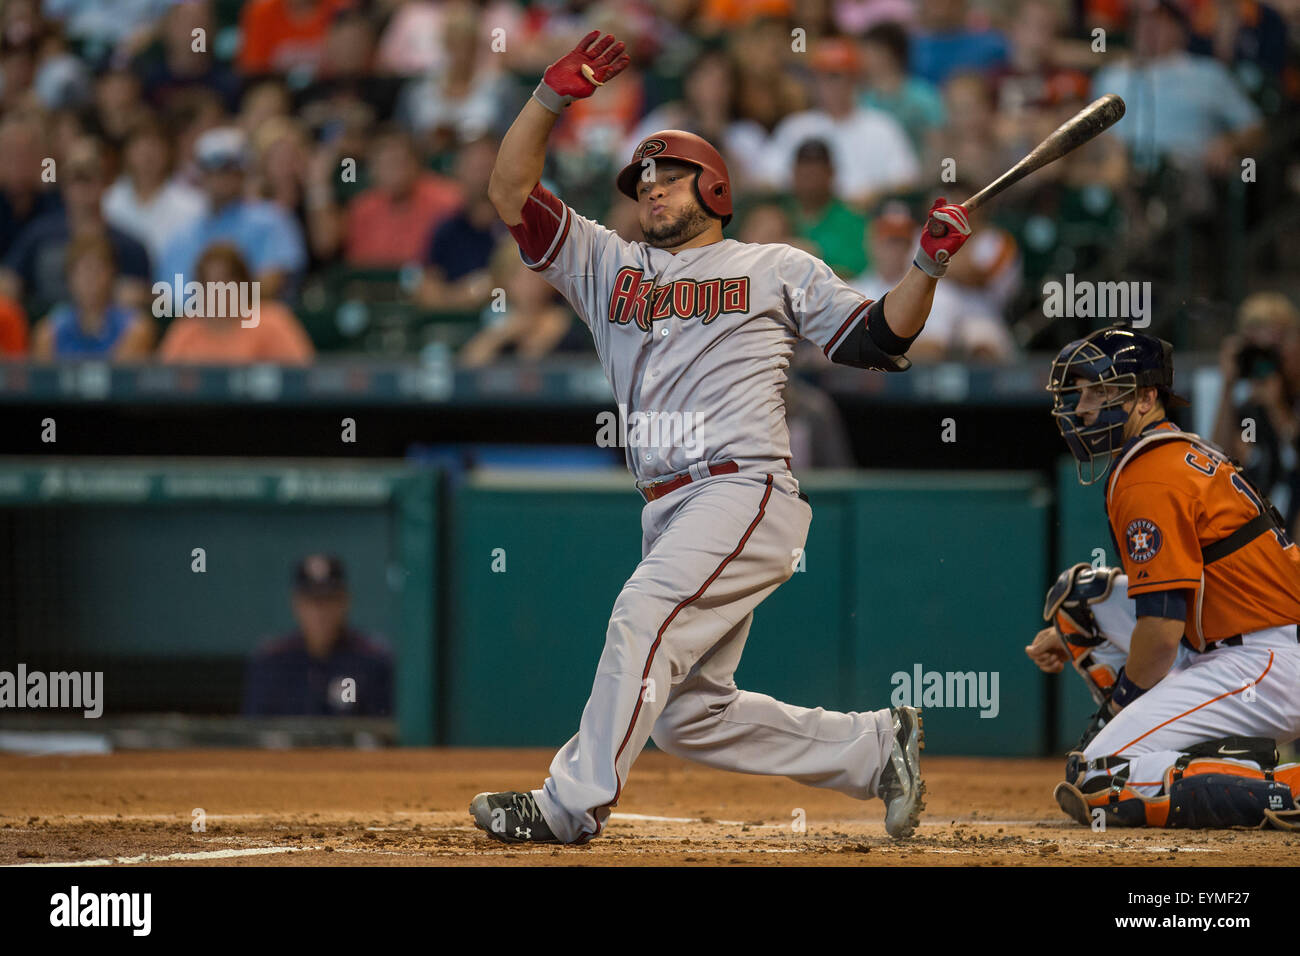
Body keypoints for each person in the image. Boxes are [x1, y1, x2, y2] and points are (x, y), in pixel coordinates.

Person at [470, 30, 975, 846]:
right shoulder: (608, 266)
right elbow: (506, 191)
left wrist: (926, 266)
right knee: (690, 717)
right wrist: (549, 98)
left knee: (641, 617)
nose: (650, 189)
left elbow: (879, 339)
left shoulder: (775, 264)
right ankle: (876, 749)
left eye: (667, 175)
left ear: (712, 184)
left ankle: (569, 805)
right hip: (670, 506)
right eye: (641, 180)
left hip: (741, 487)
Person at [1029, 326, 1300, 830]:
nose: (1084, 406)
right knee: (1080, 601)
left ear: (1147, 398)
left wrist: (1123, 708)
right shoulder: (1172, 449)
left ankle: (1281, 785)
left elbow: (1160, 634)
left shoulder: (1149, 473)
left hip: (1264, 662)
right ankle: (1187, 742)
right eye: (1082, 391)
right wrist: (1075, 642)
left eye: (1103, 391)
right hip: (1244, 636)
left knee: (1098, 775)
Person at [1, 135, 152, 318]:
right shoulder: (38, 235)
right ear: (63, 184)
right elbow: (8, 282)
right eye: (76, 177)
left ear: (106, 182)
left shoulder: (130, 246)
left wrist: (137, 298)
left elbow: (144, 302)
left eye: (91, 177)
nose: (83, 187)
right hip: (46, 336)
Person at [758, 37, 919, 208]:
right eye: (819, 76)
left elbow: (905, 182)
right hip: (808, 218)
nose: (827, 84)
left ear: (854, 79)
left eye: (835, 76)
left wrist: (873, 196)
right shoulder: (796, 127)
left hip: (868, 217)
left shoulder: (881, 126)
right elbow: (766, 180)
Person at [158, 127, 308, 301]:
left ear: (243, 173)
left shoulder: (273, 219)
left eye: (229, 169)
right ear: (202, 175)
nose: (221, 179)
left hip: (256, 321)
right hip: (197, 324)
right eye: (212, 170)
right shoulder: (182, 235)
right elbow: (169, 298)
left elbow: (272, 284)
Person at [850, 203, 1013, 362]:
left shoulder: (936, 289)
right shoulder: (854, 291)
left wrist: (865, 350)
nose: (894, 249)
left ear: (911, 245)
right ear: (872, 243)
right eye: (889, 241)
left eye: (901, 241)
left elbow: (932, 351)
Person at [242, 554, 394, 717]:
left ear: (345, 601)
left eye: (329, 600)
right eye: (312, 602)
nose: (320, 612)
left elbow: (386, 733)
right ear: (296, 604)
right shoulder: (271, 662)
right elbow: (253, 733)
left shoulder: (372, 661)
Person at [1211, 292, 1300, 532]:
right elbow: (1220, 460)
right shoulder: (1251, 410)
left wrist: (1277, 409)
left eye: (1272, 350)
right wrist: (1228, 387)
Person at [157, 243, 315, 364]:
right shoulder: (186, 330)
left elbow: (302, 378)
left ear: (242, 283)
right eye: (207, 283)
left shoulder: (271, 322)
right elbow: (163, 385)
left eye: (224, 282)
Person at [30, 234, 154, 360]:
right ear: (69, 277)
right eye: (82, 272)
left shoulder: (135, 328)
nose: (90, 280)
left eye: (97, 270)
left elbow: (121, 377)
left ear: (112, 275)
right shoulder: (49, 332)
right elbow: (44, 378)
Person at [789, 138, 869, 280]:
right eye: (804, 169)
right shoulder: (779, 215)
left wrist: (809, 264)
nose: (809, 176)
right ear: (794, 173)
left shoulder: (852, 220)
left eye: (816, 170)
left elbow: (856, 275)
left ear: (830, 173)